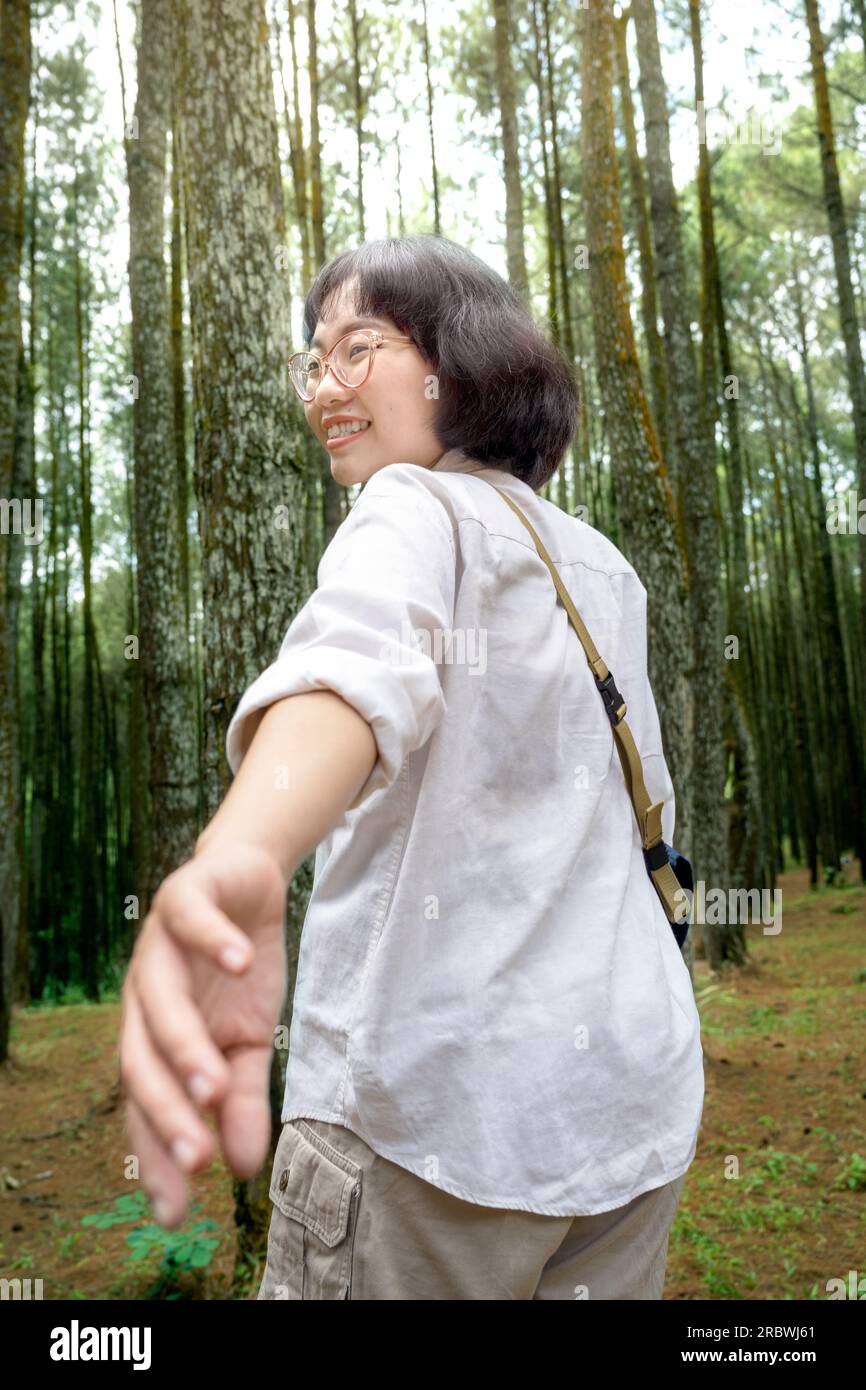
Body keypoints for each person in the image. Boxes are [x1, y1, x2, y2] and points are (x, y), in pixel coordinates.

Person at [118, 233, 704, 1300]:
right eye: (312, 359)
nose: (323, 386)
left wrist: (240, 856)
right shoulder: (599, 565)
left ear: (460, 357)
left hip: (437, 1127)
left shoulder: (408, 508)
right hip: (627, 1110)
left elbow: (349, 674)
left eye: (359, 347)